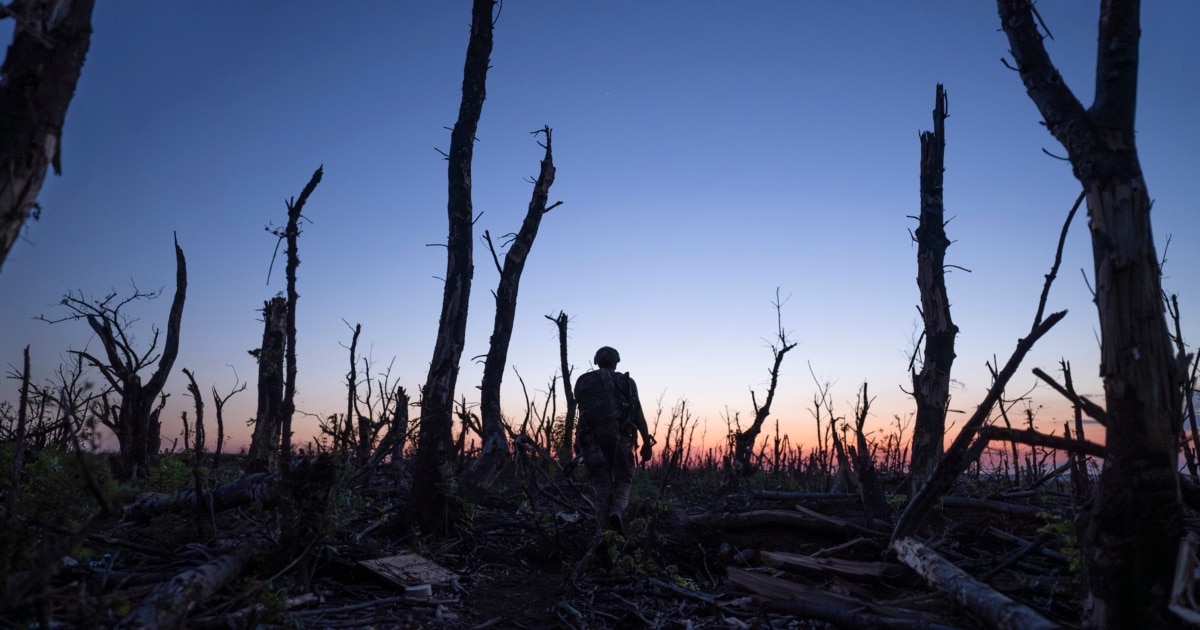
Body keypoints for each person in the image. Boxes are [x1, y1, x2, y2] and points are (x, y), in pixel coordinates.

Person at [574, 346, 654, 533]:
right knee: (624, 480)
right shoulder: (626, 382)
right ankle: (617, 510)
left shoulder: (584, 382)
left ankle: (602, 526)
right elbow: (638, 413)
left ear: (596, 361)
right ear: (616, 361)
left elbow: (582, 415)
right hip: (620, 439)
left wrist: (578, 442)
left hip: (592, 440)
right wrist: (647, 443)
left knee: (601, 482)